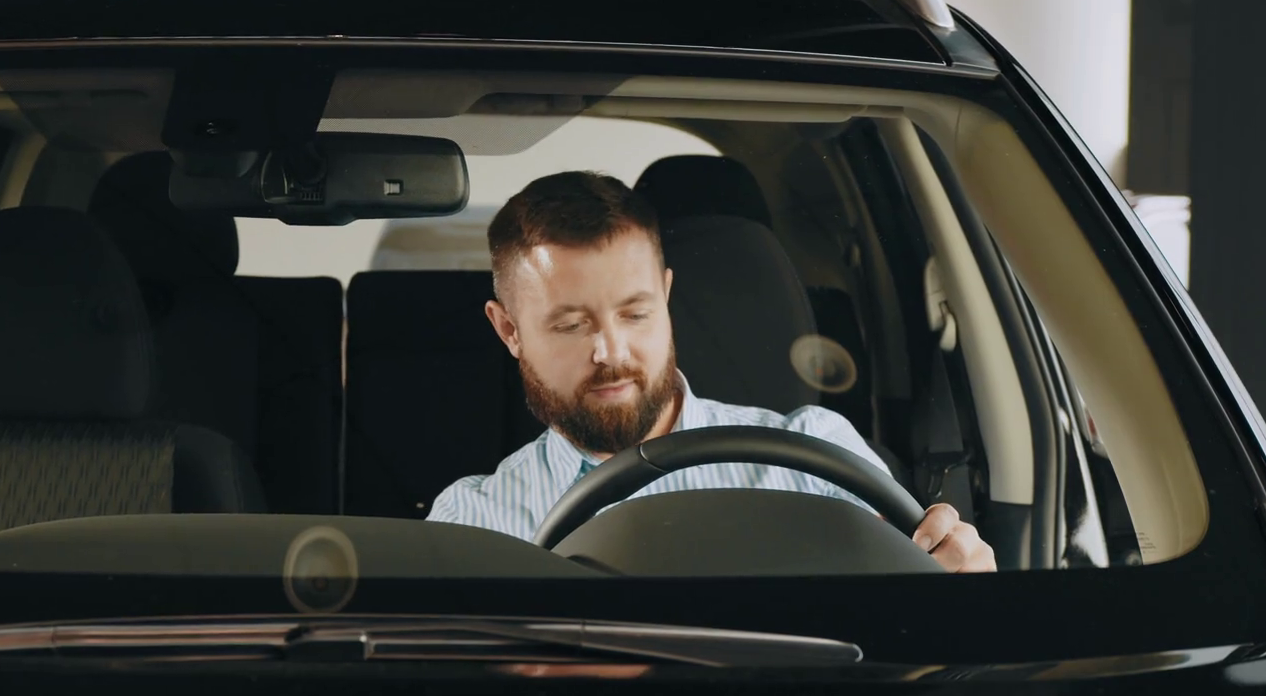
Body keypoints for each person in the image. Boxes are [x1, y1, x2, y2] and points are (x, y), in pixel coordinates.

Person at [426, 171, 997, 574]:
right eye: (571, 325)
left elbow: (918, 634)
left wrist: (962, 581)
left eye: (635, 314)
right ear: (509, 330)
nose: (611, 351)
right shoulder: (473, 521)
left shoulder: (815, 459)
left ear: (667, 296)